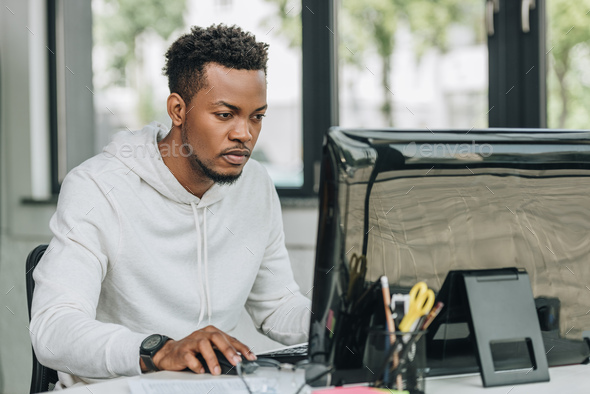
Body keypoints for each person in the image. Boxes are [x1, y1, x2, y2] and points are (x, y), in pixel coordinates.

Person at [30, 24, 311, 388]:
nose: (245, 133)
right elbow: (54, 328)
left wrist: (344, 320)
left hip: (211, 385)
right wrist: (157, 350)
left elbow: (276, 306)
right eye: (225, 115)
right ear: (178, 110)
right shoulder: (98, 186)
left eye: (256, 116)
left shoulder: (255, 185)